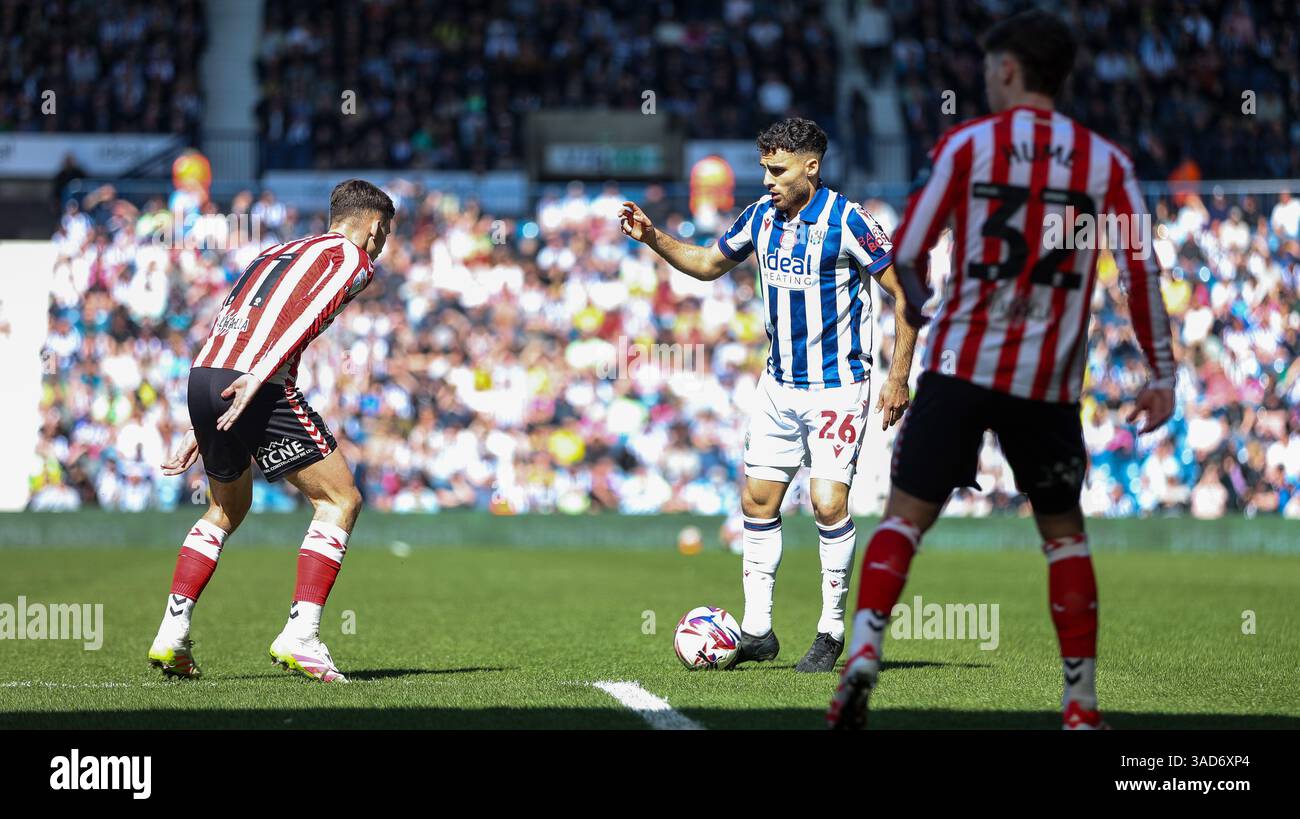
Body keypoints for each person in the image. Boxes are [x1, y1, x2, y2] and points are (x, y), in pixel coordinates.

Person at [827, 9, 1176, 729]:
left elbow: (910, 251)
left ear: (1009, 69)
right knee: (1063, 534)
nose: (983, 79)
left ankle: (861, 657)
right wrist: (1162, 370)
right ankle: (1080, 704)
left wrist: (921, 310)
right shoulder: (1106, 161)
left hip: (959, 364)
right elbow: (1139, 269)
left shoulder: (967, 145)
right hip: (1046, 384)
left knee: (904, 520)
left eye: (989, 68)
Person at [621, 118, 918, 672]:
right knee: (758, 501)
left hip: (838, 387)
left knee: (828, 503)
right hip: (779, 385)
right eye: (764, 168)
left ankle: (830, 632)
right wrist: (653, 238)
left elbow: (907, 294)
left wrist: (898, 377)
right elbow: (710, 265)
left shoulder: (848, 220)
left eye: (777, 170)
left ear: (812, 167)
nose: (767, 180)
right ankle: (758, 630)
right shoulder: (759, 218)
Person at [147, 179, 395, 683]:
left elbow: (228, 321)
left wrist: (204, 416)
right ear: (373, 226)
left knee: (225, 508)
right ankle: (301, 636)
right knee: (339, 500)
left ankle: (171, 634)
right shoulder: (350, 259)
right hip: (252, 380)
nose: (383, 243)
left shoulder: (277, 252)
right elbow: (304, 317)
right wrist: (257, 379)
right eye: (386, 232)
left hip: (206, 375)